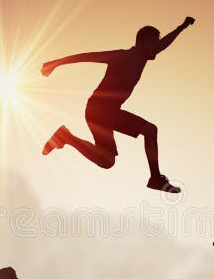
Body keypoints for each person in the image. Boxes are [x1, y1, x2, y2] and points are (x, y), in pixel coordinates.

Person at [41, 17, 195, 193]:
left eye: (156, 43)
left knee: (107, 161)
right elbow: (88, 56)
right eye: (152, 43)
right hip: (99, 109)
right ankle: (155, 178)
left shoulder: (145, 56)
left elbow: (164, 43)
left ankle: (66, 137)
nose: (156, 47)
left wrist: (181, 27)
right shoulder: (122, 56)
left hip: (104, 112)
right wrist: (55, 63)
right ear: (140, 42)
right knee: (150, 130)